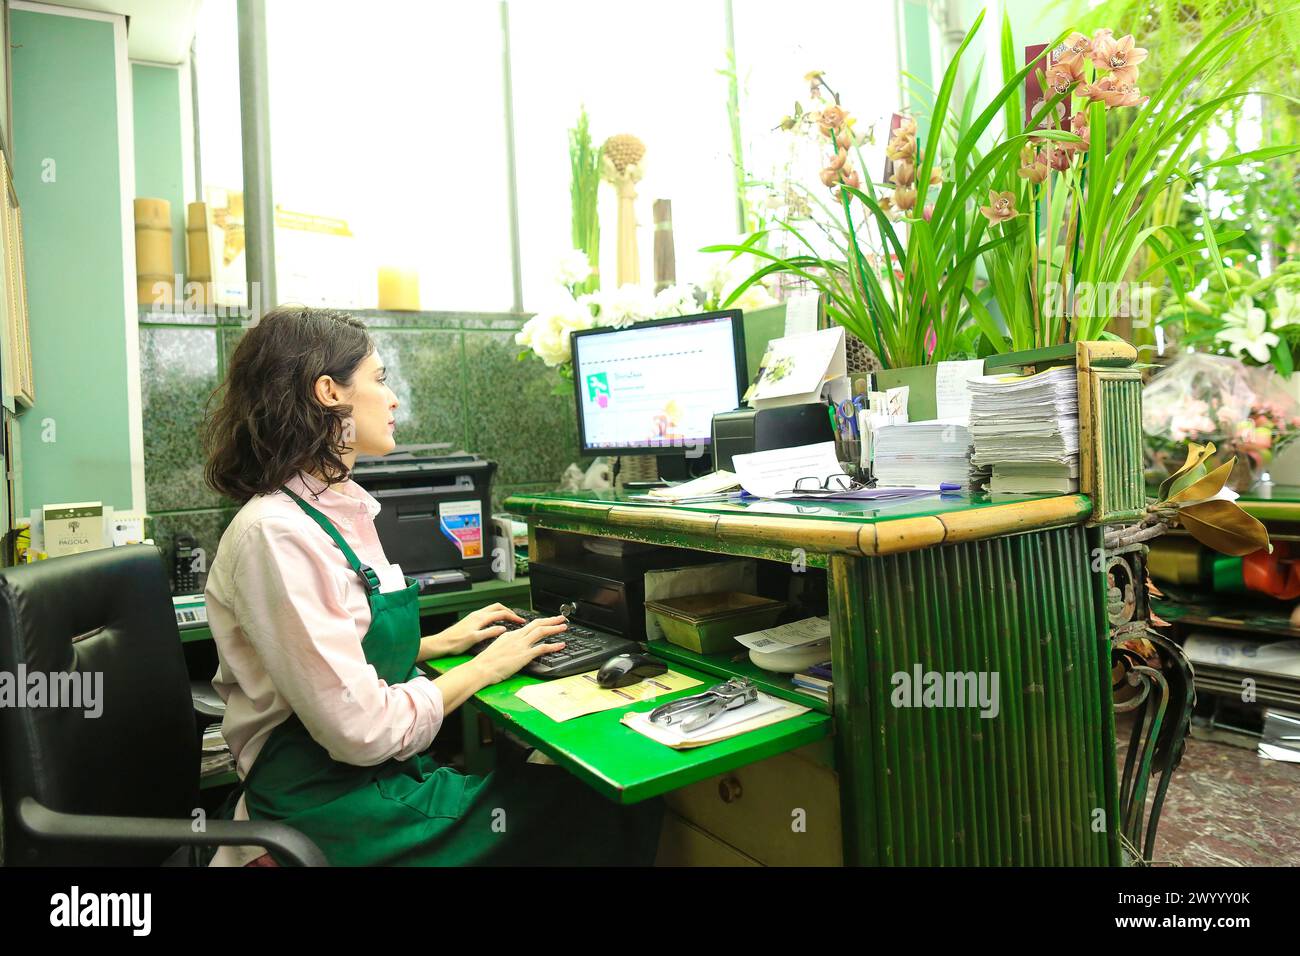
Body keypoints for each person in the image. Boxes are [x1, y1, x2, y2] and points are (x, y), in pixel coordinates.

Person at [200, 305, 661, 866]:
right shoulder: (276, 534)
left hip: (373, 780)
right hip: (330, 806)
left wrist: (436, 645)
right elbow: (360, 729)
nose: (392, 399)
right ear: (328, 392)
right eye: (378, 379)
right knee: (602, 798)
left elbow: (327, 657)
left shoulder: (332, 509)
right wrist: (484, 667)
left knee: (557, 782)